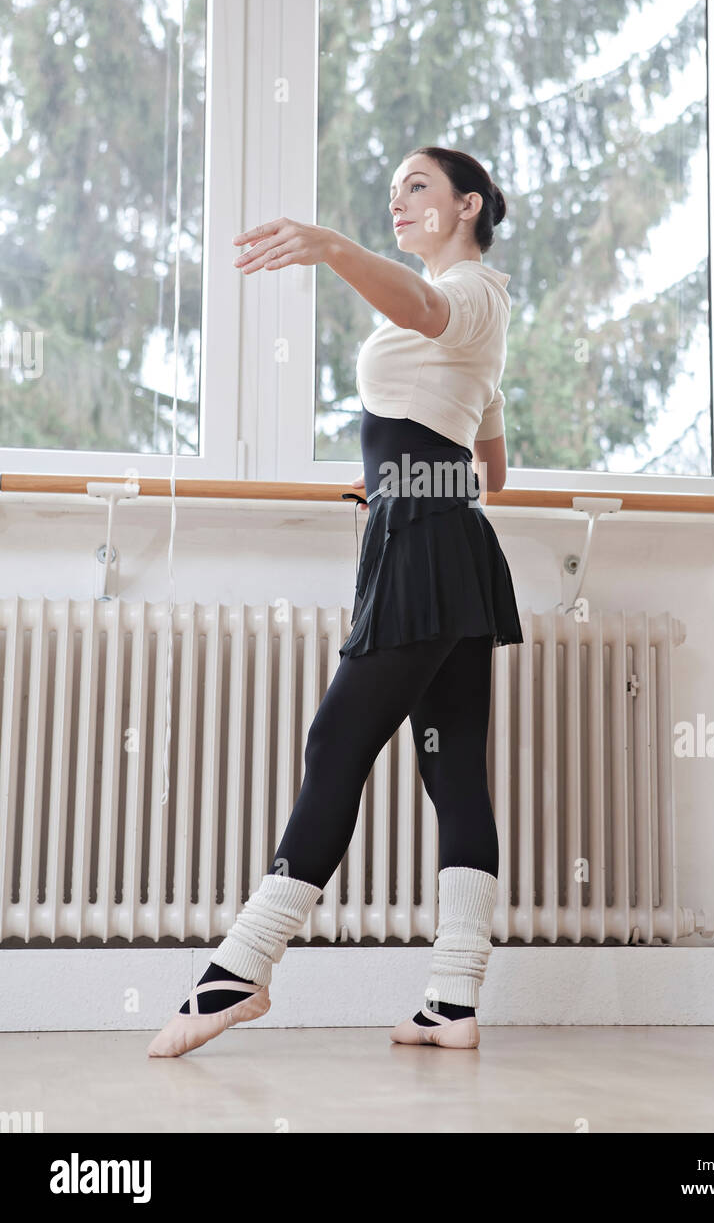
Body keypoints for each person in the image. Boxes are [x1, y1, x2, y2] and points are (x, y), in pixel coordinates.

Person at [147, 146, 523, 1057]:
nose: (400, 201)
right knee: (453, 767)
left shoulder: (470, 291)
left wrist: (332, 247)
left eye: (418, 188)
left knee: (335, 744)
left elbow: (425, 308)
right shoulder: (481, 321)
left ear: (468, 205)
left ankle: (241, 967)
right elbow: (494, 470)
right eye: (393, 193)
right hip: (447, 539)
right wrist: (396, 484)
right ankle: (453, 1001)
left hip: (425, 546)